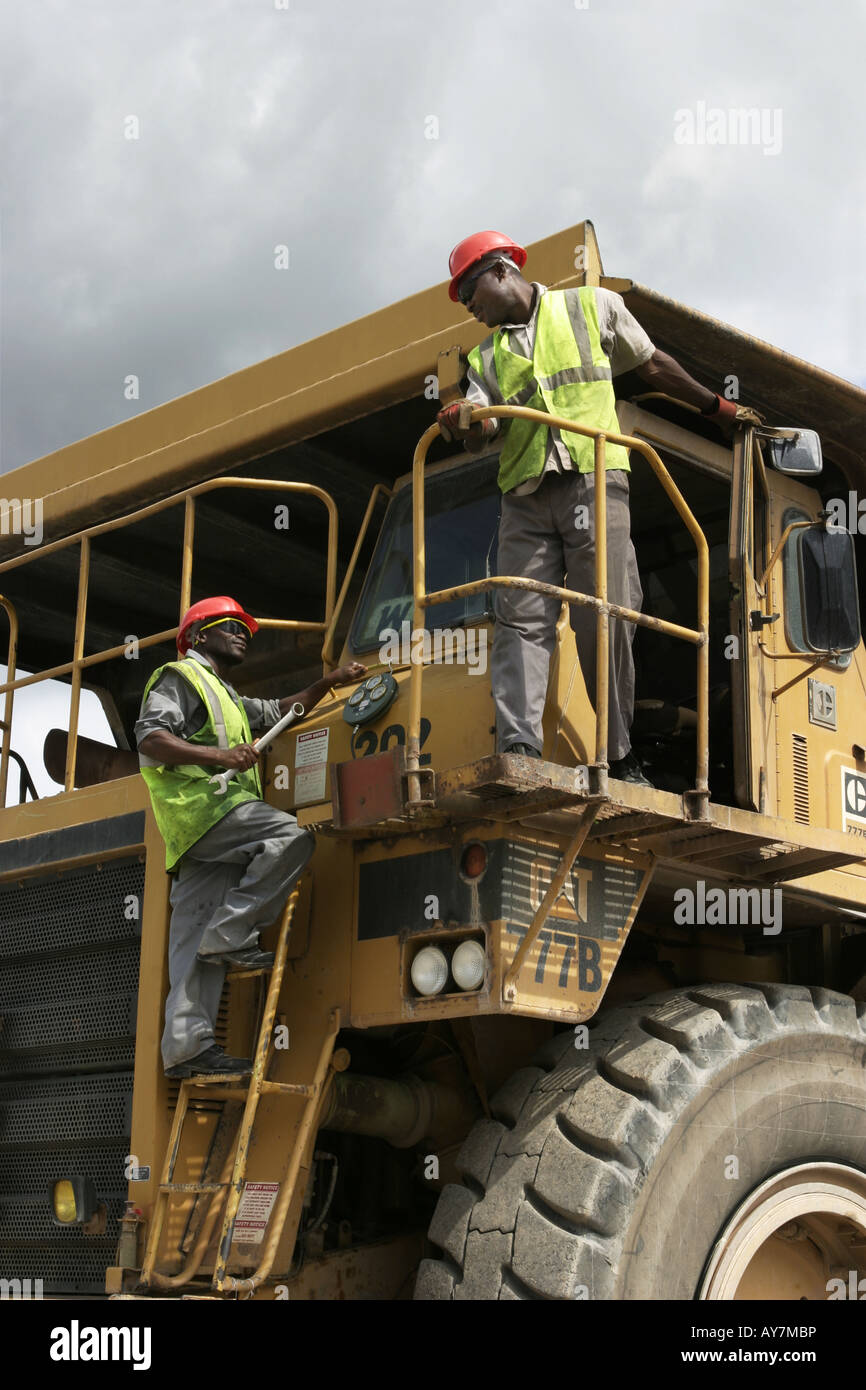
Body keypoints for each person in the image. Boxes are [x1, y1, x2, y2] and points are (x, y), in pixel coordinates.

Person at [437, 230, 751, 785]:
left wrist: (716, 407)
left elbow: (651, 365)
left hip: (593, 480)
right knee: (520, 621)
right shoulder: (484, 358)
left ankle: (617, 753)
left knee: (603, 616)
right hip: (526, 500)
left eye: (471, 294)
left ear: (501, 269)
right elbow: (483, 430)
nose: (472, 310)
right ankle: (520, 746)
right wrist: (462, 421)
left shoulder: (594, 306)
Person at [135, 596, 365, 1077]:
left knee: (194, 943)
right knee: (291, 839)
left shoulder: (226, 695)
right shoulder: (180, 677)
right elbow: (151, 739)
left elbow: (282, 712)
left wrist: (326, 682)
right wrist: (224, 759)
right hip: (206, 809)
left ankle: (185, 1050)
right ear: (198, 635)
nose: (242, 633)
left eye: (245, 628)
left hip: (196, 832)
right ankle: (232, 931)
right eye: (230, 625)